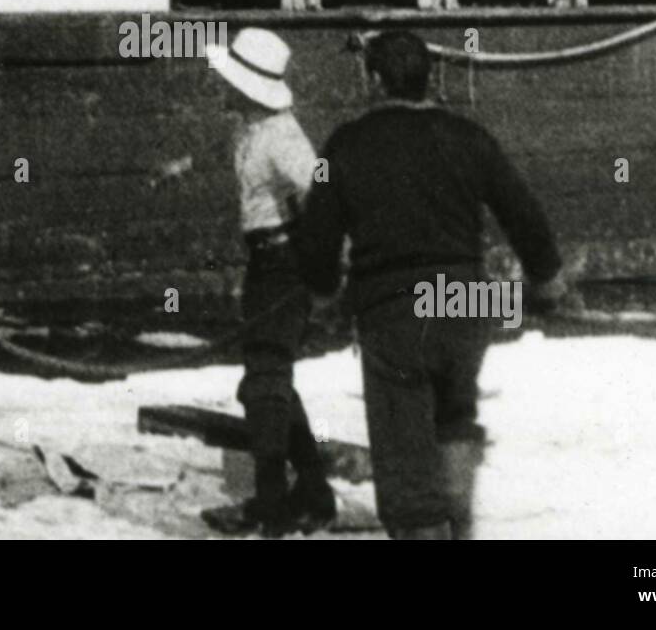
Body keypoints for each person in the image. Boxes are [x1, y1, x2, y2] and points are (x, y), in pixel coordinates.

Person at [296, 30, 566, 539]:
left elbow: (317, 239)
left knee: (404, 454)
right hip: (467, 301)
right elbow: (522, 211)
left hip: (395, 309)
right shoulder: (468, 136)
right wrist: (547, 280)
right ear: (427, 78)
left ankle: (427, 527)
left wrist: (324, 296)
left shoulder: (345, 145)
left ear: (374, 80)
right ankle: (459, 526)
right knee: (455, 415)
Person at [200, 28, 337, 537]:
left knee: (264, 380)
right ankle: (314, 492)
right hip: (268, 261)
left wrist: (316, 257)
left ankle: (274, 502)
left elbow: (322, 188)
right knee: (270, 375)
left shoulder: (280, 136)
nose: (220, 85)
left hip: (283, 262)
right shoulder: (255, 129)